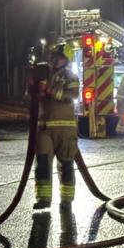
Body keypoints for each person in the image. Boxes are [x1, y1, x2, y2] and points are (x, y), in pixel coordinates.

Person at [35, 44, 80, 210]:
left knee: (67, 165)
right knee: (42, 164)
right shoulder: (44, 75)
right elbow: (30, 97)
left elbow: (73, 95)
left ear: (65, 59)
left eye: (58, 57)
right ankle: (43, 199)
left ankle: (66, 200)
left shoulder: (70, 76)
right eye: (52, 57)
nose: (54, 60)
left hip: (65, 129)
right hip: (45, 128)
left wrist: (51, 92)